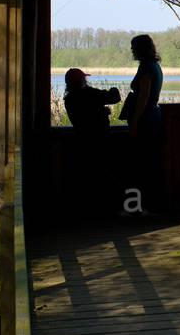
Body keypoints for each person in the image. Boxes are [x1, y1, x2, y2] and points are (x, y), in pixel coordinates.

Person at [62, 69, 122, 216]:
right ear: (82, 81)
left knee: (87, 177)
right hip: (101, 141)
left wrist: (101, 112)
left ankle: (89, 211)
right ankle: (106, 209)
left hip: (82, 142)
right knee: (103, 175)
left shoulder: (69, 99)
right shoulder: (89, 93)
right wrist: (113, 89)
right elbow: (114, 97)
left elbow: (84, 117)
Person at [121, 34, 164, 214]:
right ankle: (147, 206)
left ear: (140, 49)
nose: (132, 50)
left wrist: (135, 122)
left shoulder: (146, 67)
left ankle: (139, 207)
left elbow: (143, 97)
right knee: (148, 163)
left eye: (133, 47)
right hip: (153, 117)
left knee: (139, 165)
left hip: (145, 120)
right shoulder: (155, 66)